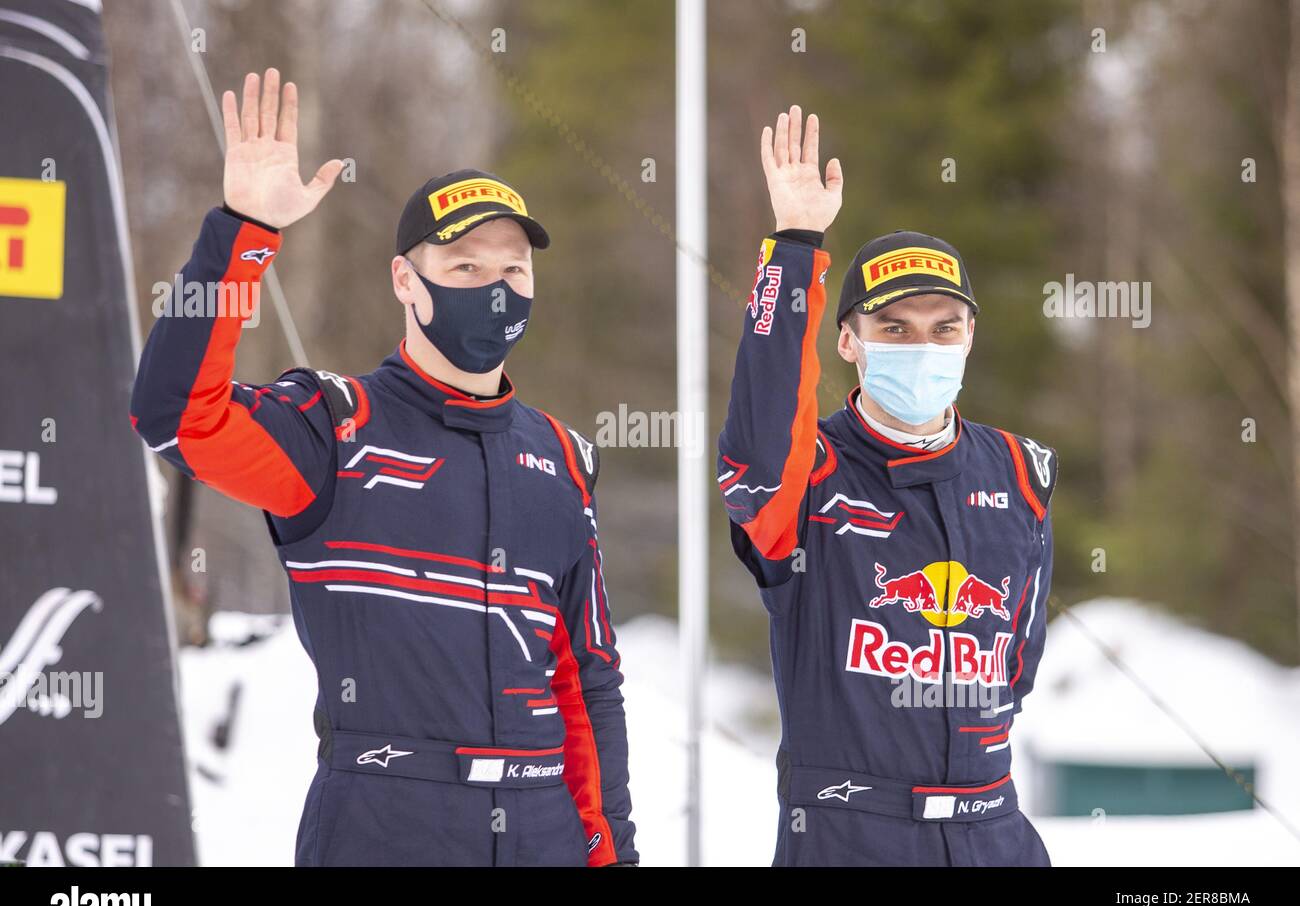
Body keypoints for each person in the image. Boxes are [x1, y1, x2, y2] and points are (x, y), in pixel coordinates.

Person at [131, 69, 637, 866]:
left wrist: (613, 855)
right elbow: (177, 417)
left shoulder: (564, 461)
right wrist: (243, 230)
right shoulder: (335, 427)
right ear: (407, 279)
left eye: (513, 270)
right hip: (386, 822)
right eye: (465, 267)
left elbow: (588, 685)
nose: (495, 288)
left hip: (546, 829)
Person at [718, 106, 1057, 866]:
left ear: (970, 336)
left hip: (991, 831)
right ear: (848, 341)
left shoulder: (1022, 472)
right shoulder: (809, 475)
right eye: (893, 328)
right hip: (848, 833)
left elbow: (1016, 668)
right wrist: (796, 247)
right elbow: (759, 443)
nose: (921, 345)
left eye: (944, 328)